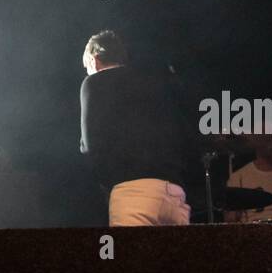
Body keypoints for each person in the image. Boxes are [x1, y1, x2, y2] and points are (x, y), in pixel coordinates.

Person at [79, 30, 190, 226]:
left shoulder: (94, 82)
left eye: (86, 66)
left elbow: (91, 146)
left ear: (94, 60)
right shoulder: (154, 81)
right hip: (175, 192)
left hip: (133, 193)